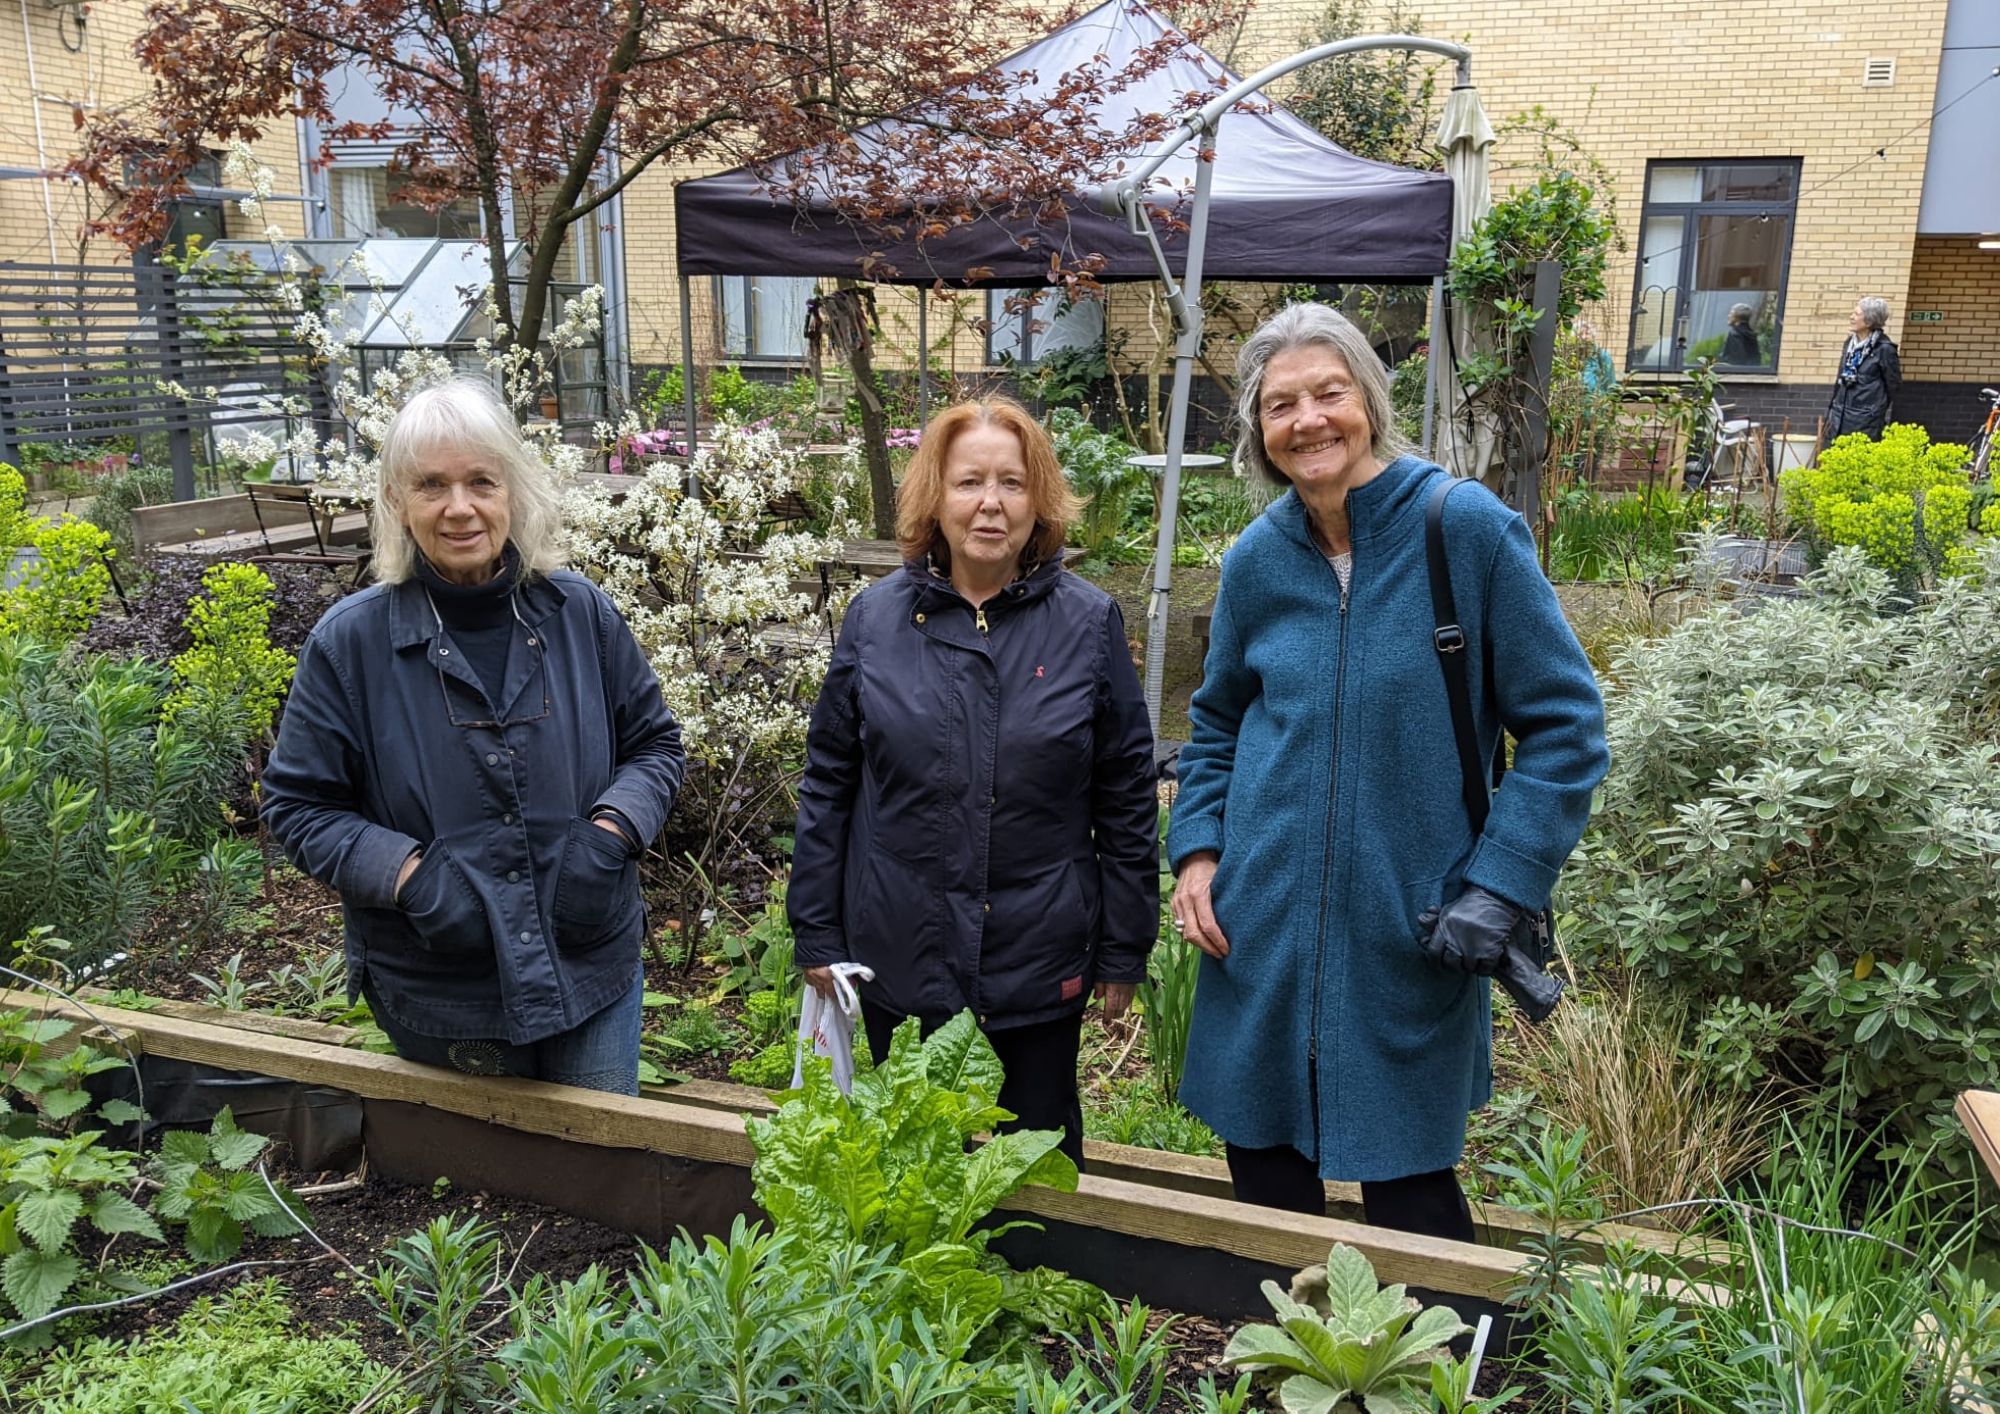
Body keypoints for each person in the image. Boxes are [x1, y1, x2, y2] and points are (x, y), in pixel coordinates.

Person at [1167, 303, 1608, 1241]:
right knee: (1265, 1167)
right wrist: (1199, 853)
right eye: (1281, 404)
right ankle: (1299, 1368)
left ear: (1369, 398)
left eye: (1329, 392)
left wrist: (1501, 883)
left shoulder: (1466, 533)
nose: (1309, 420)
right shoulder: (1256, 562)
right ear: (1258, 430)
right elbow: (1214, 726)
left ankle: (1434, 1379)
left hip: (1411, 921)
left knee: (1411, 1193)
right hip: (1262, 923)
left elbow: (1568, 727)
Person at [262, 379, 684, 1095]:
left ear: (512, 493)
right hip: (442, 984)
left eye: (480, 481)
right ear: (398, 503)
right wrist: (414, 878)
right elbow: (300, 808)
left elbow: (655, 747)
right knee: (487, 1185)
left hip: (590, 959)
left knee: (602, 1167)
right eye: (432, 485)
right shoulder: (351, 644)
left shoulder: (579, 614)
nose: (460, 508)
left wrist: (609, 834)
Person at [788, 396, 1157, 1169]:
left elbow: (1124, 795)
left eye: (1012, 483)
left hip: (1037, 950)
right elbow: (829, 782)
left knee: (1038, 1164)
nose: (991, 503)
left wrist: (1124, 948)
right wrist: (816, 930)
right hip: (900, 946)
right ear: (935, 497)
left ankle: (1035, 1290)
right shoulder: (875, 622)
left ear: (1039, 500)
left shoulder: (1088, 625)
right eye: (969, 482)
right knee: (909, 1167)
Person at [1824, 296, 1900, 440]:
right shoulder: (1849, 344)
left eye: (1857, 314)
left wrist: (1874, 411)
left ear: (1870, 320)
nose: (1851, 317)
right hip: (1838, 417)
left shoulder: (1884, 349)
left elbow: (1893, 386)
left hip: (1865, 422)